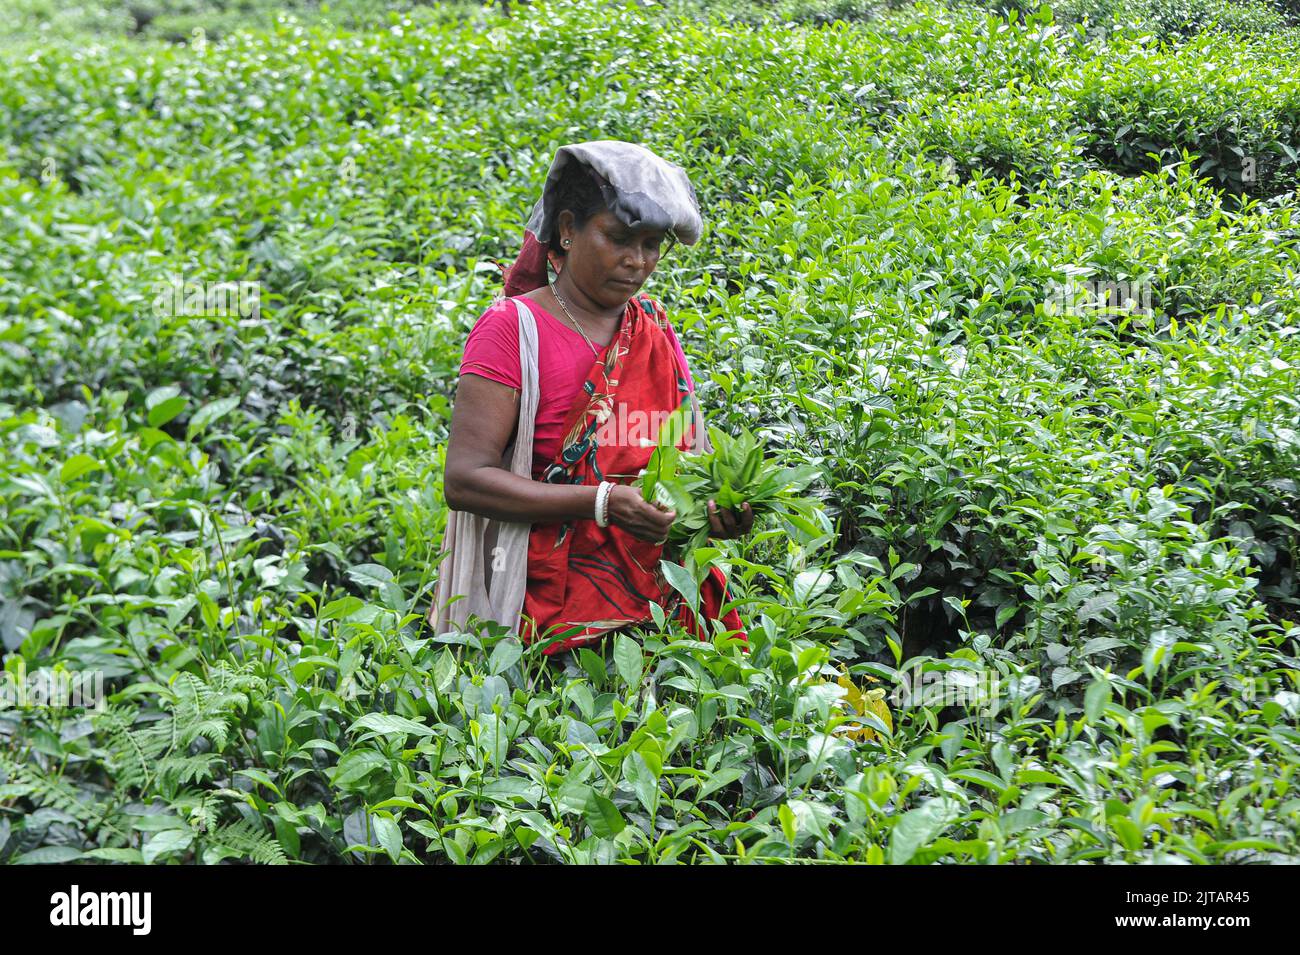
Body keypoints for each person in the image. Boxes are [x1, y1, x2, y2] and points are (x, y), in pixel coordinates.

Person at [431, 140, 752, 655]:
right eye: (619, 238)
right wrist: (601, 502)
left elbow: (684, 462)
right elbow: (465, 480)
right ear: (566, 228)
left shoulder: (652, 328)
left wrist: (716, 509)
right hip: (539, 614)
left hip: (657, 608)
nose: (636, 261)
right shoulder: (512, 331)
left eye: (652, 245)